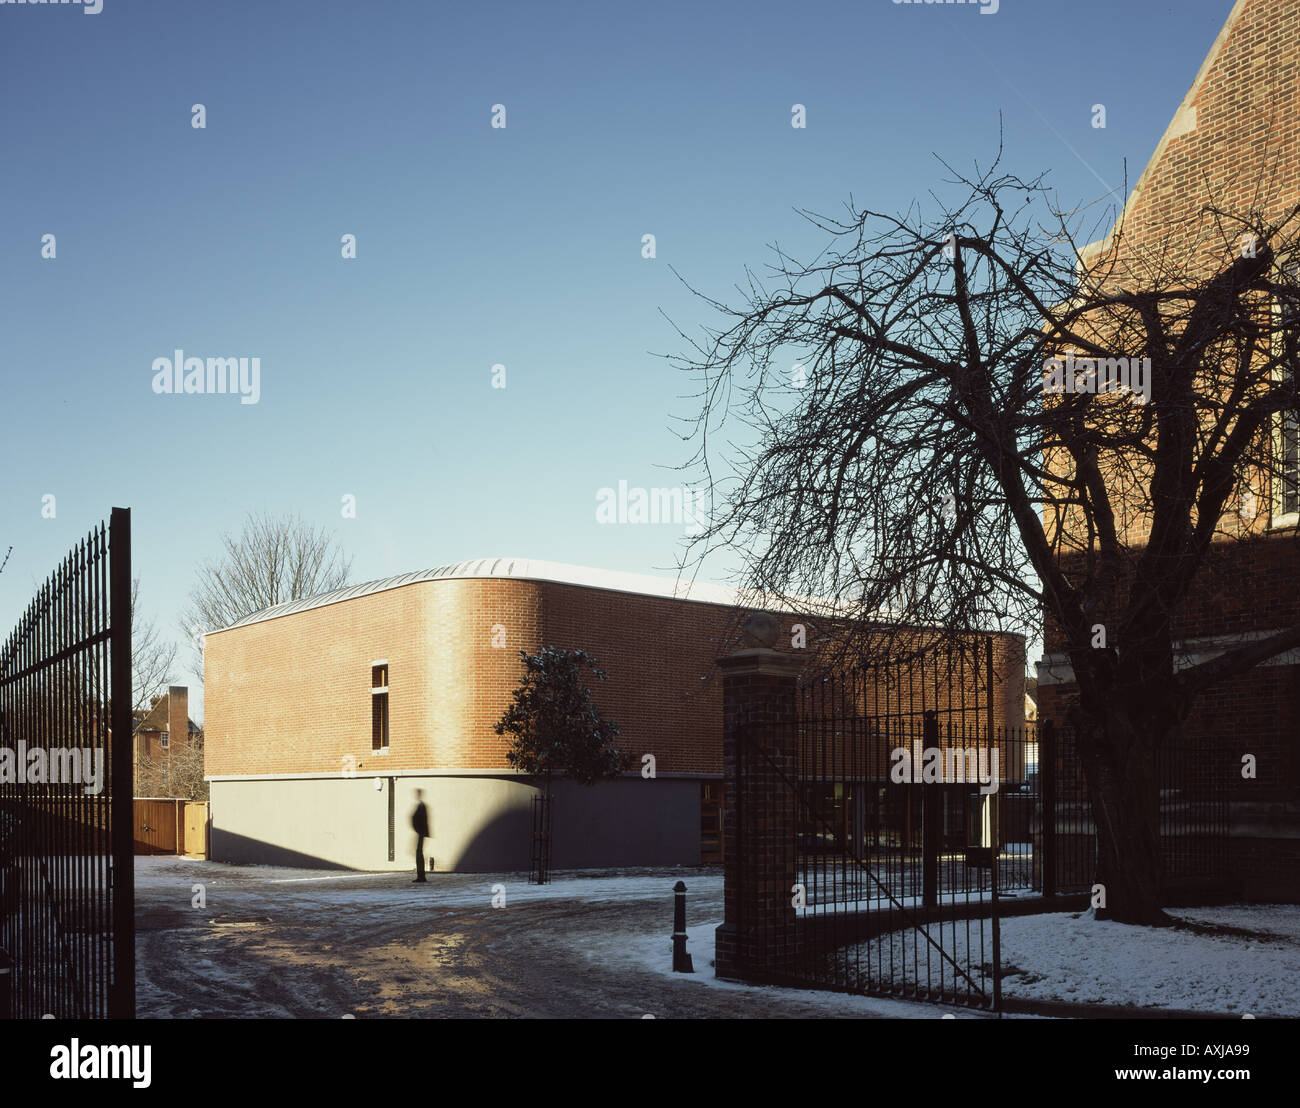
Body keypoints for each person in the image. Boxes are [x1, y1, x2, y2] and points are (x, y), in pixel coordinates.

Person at [411, 789, 430, 883]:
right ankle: (421, 875)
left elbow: (420, 819)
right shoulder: (421, 806)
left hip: (421, 833)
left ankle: (421, 876)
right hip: (420, 832)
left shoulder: (421, 806)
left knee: (419, 854)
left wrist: (418, 830)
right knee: (419, 853)